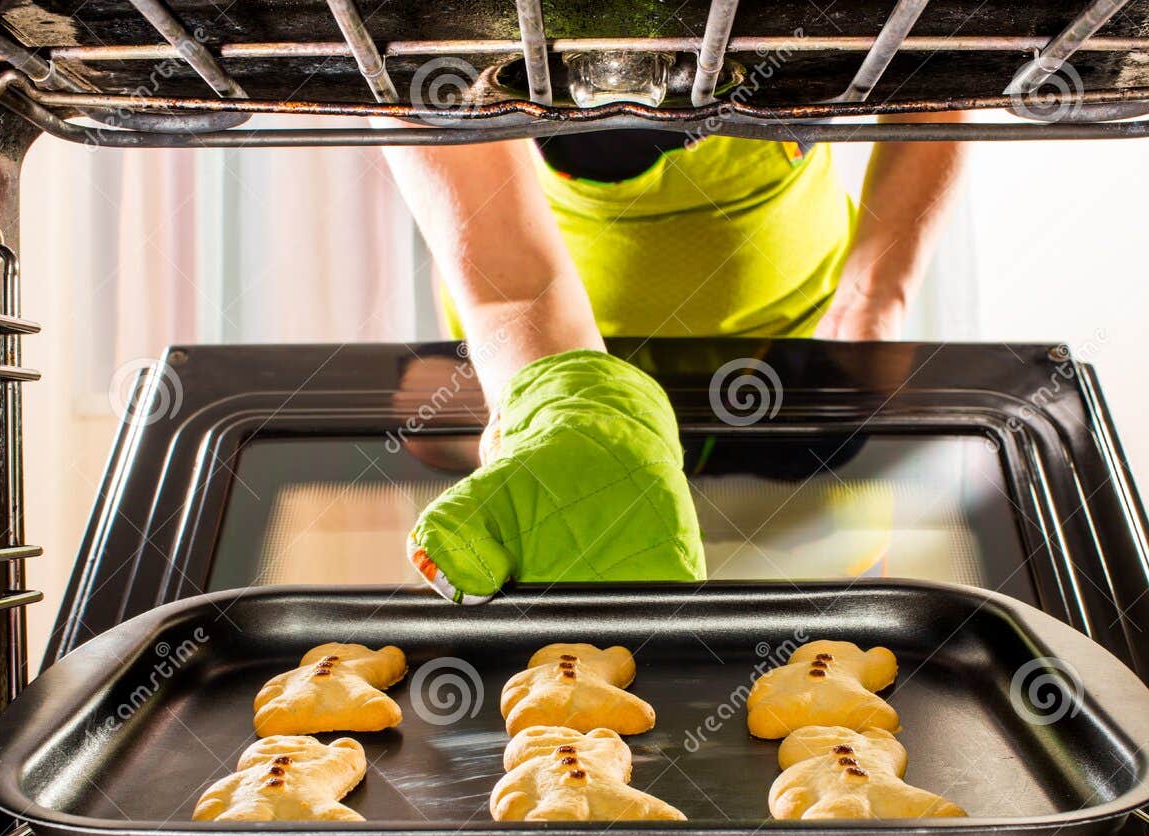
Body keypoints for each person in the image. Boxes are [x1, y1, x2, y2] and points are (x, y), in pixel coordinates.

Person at [381, 120, 968, 603]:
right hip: (543, 357)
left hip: (798, 374)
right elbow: (512, 287)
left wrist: (874, 301)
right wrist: (548, 417)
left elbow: (942, 74)